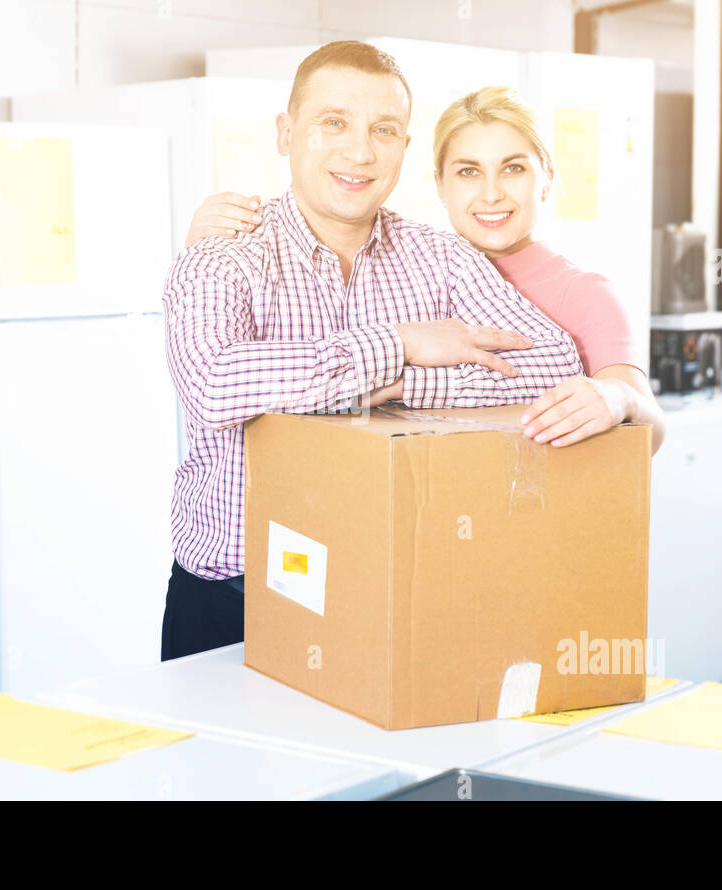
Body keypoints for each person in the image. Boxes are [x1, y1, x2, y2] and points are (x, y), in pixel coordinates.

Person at [162, 41, 584, 661]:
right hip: (231, 604)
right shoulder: (225, 255)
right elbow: (214, 383)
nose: (359, 152)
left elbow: (554, 362)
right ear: (287, 134)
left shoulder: (441, 258)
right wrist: (401, 344)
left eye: (383, 129)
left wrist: (404, 382)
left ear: (405, 148)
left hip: (386, 595)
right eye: (333, 123)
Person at [188, 86, 666, 452]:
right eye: (468, 171)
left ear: (547, 180)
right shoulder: (416, 267)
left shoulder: (585, 293)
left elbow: (649, 427)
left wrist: (621, 400)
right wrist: (207, 252)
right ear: (440, 185)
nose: (492, 193)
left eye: (514, 169)